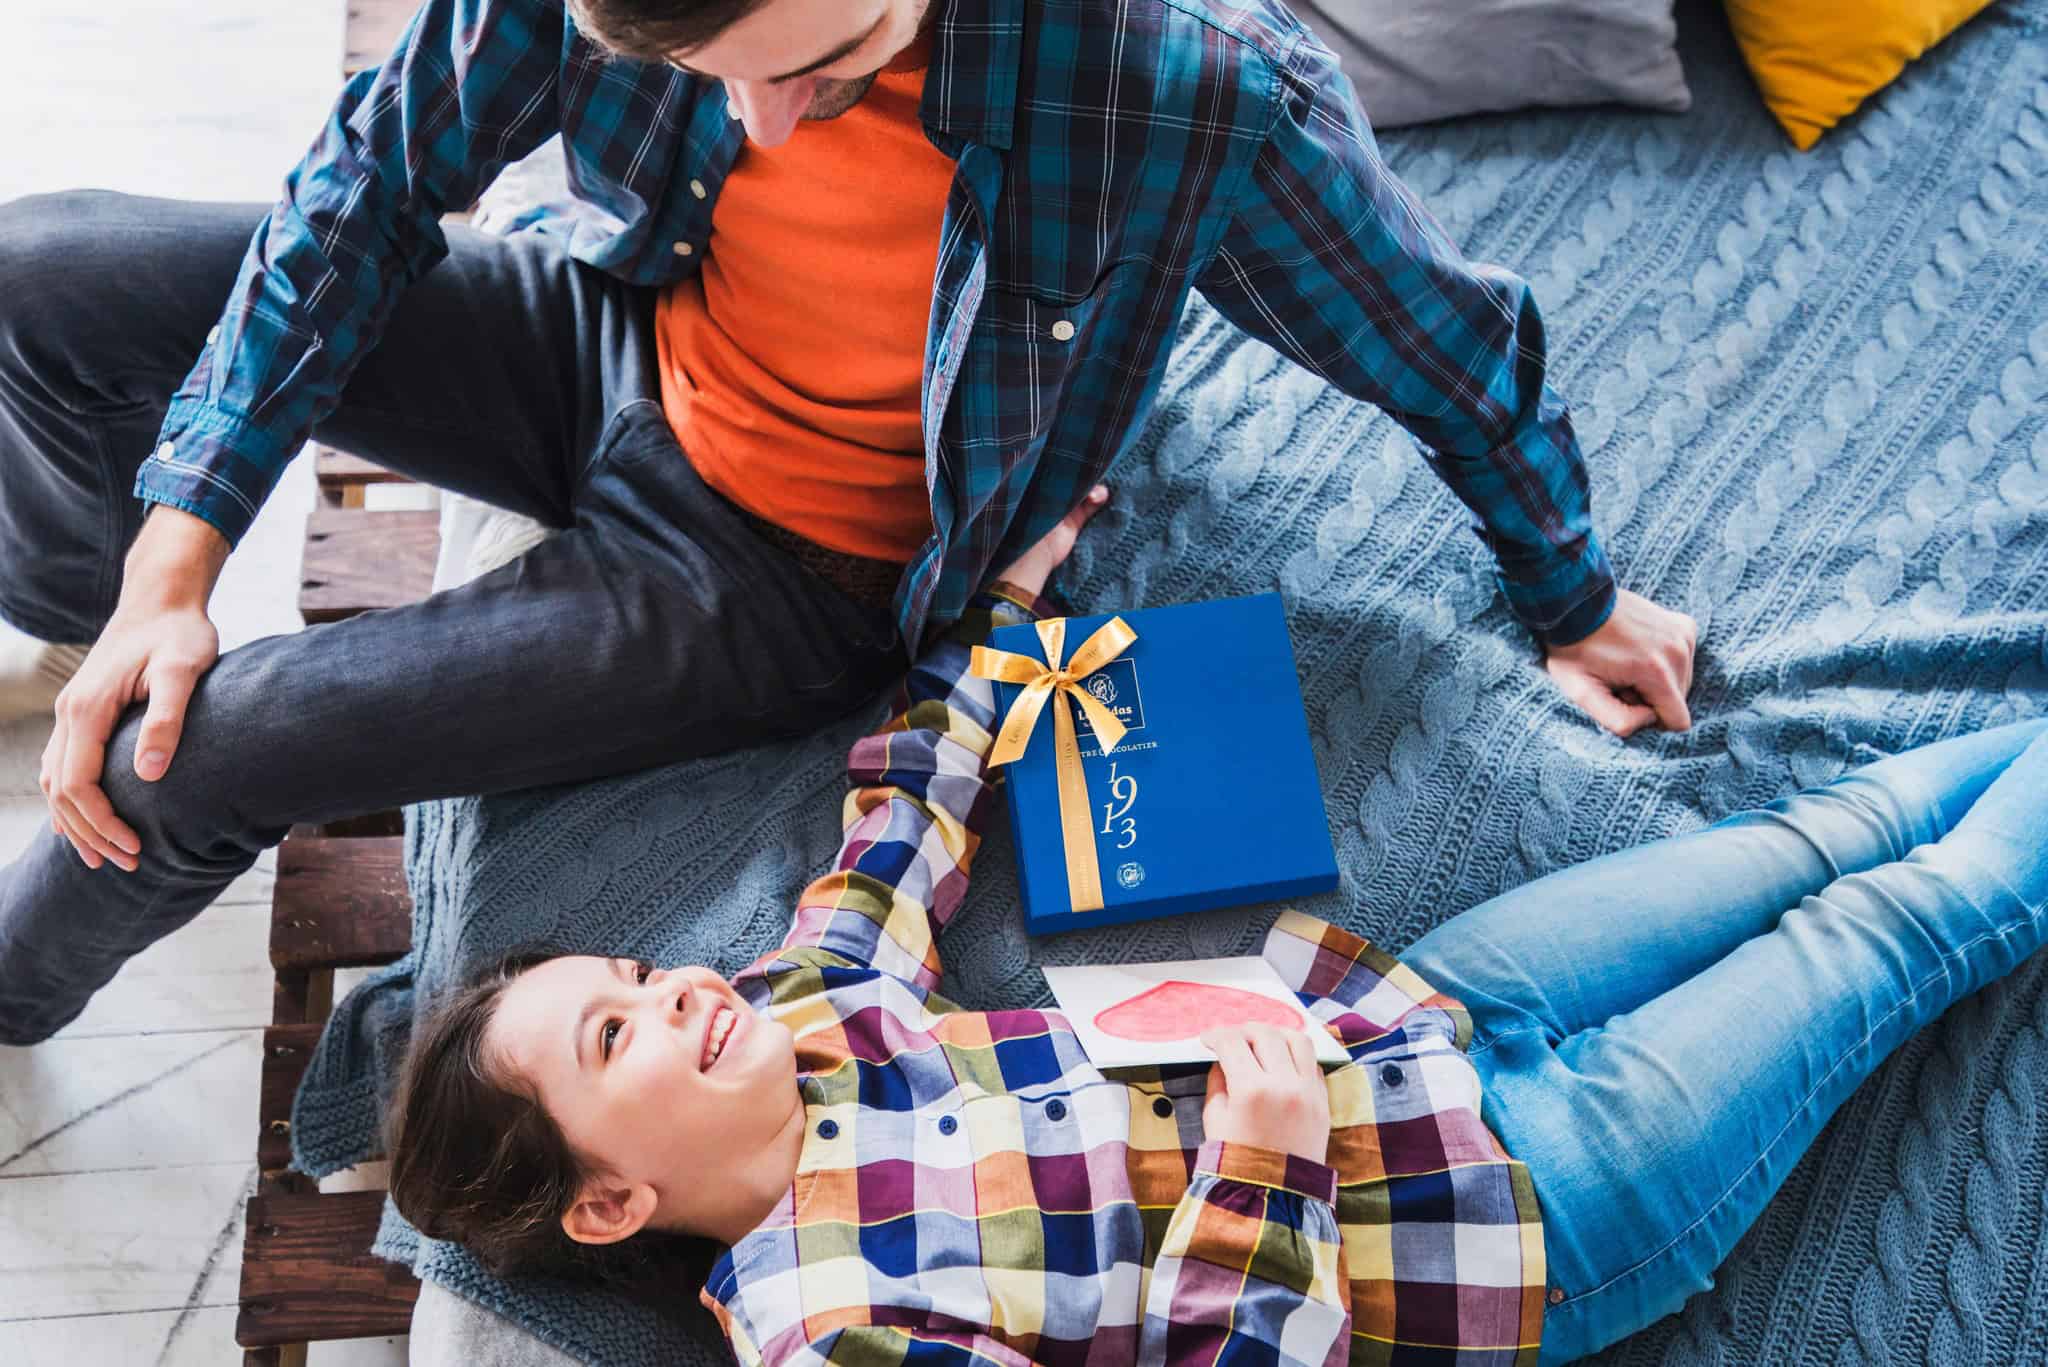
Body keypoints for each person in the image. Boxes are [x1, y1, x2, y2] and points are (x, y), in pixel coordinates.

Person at [0, 0, 1696, 1046]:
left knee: (187, 759)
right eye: (695, 75)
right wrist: (174, 561)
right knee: (44, 271)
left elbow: (1447, 346)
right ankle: (87, 628)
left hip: (786, 569)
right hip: (618, 328)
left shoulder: (1183, 89)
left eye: (814, 67)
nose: (759, 126)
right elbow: (370, 185)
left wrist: (1572, 593)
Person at [385, 494, 2048, 1366]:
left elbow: (898, 826)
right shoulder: (828, 1327)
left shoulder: (813, 1006)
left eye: (629, 977)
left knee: (1818, 834)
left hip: (1427, 1013)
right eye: (617, 1035)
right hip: (1526, 1208)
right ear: (610, 1201)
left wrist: (1009, 614)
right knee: (1899, 929)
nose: (672, 991)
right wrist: (1257, 1175)